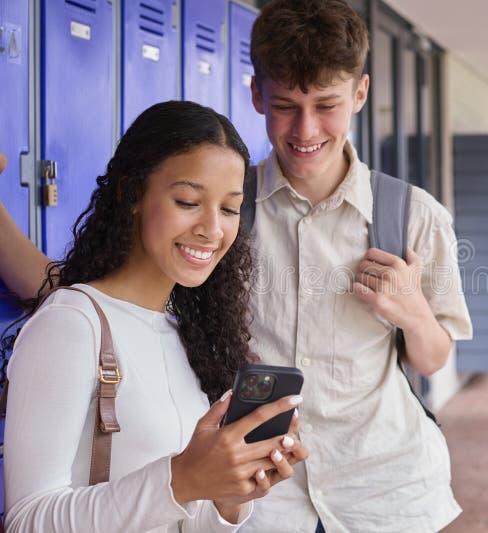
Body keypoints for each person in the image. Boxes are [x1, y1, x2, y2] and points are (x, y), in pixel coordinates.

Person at [0, 1, 472, 531]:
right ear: (257, 95)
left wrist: (414, 314)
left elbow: (433, 358)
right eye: (287, 105)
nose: (306, 128)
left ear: (360, 94)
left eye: (327, 104)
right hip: (259, 500)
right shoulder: (224, 206)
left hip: (384, 488)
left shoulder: (413, 215)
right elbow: (108, 299)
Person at [0, 101, 309, 533]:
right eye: (188, 200)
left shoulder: (182, 334)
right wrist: (180, 480)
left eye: (229, 208)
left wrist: (227, 498)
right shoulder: (72, 324)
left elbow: (179, 516)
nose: (212, 229)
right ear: (131, 195)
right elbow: (26, 521)